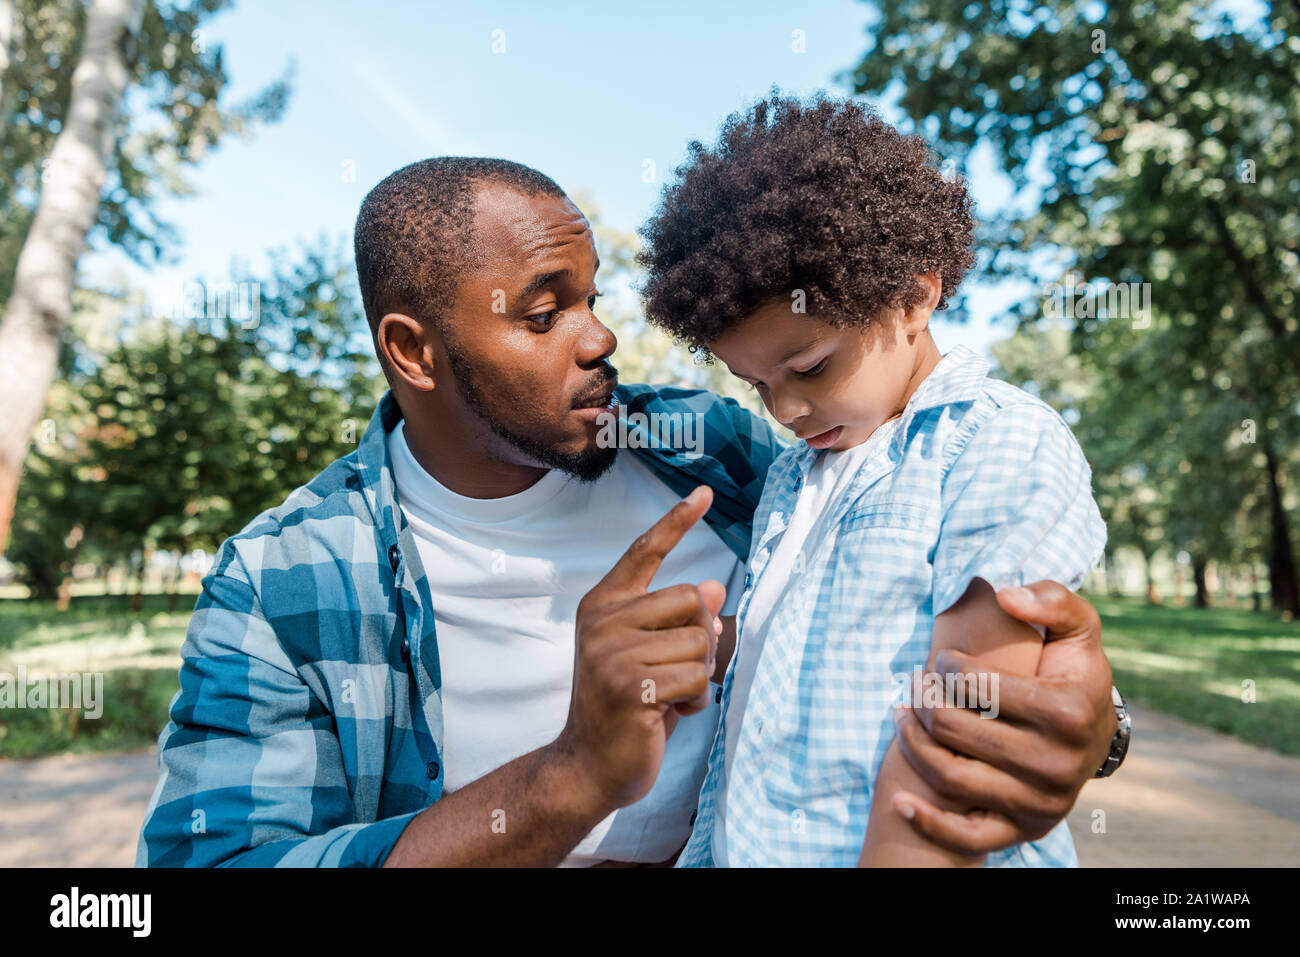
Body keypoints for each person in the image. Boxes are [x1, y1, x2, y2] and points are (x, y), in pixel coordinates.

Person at [136, 156, 1121, 867]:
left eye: (592, 297)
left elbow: (888, 577)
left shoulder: (708, 451)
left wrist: (1080, 723)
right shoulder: (283, 580)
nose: (602, 335)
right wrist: (571, 776)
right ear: (415, 350)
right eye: (542, 311)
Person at [637, 91, 1110, 867]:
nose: (785, 408)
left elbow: (968, 718)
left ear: (914, 296)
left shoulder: (997, 440)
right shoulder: (793, 477)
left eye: (808, 367)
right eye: (754, 384)